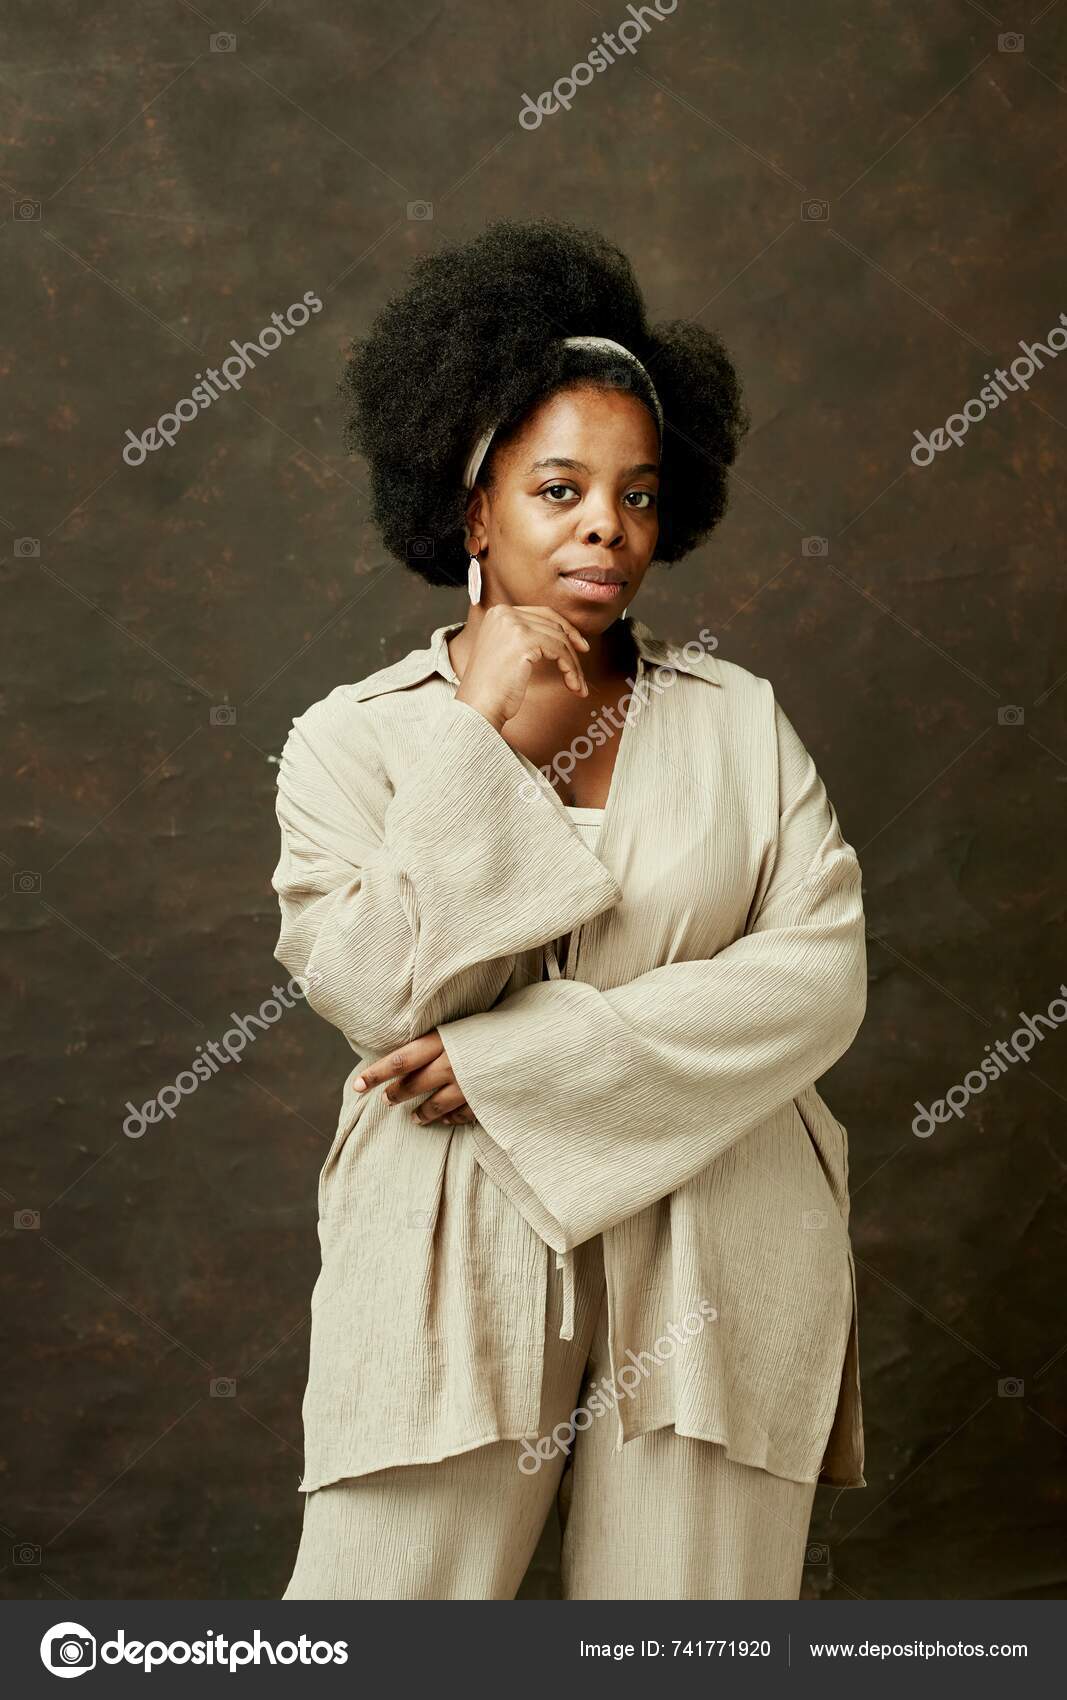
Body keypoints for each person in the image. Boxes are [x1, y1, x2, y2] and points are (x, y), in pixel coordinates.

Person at [271, 218, 867, 1600]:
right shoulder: (352, 742)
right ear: (475, 506)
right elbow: (376, 989)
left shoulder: (738, 724)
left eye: (640, 494)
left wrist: (512, 1062)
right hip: (444, 1249)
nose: (609, 524)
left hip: (725, 1240)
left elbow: (817, 983)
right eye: (559, 488)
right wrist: (478, 735)